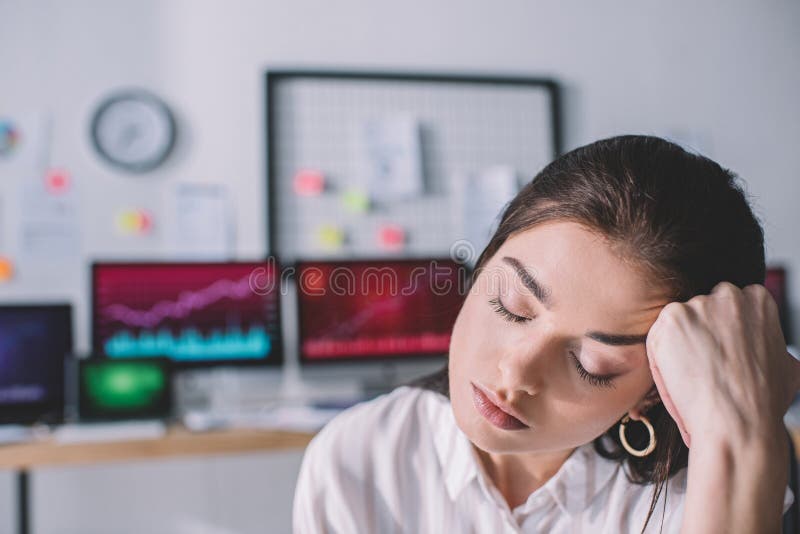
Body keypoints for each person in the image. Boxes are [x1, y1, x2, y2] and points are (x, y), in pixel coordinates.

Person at [292, 135, 800, 533]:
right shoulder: (358, 459)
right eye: (510, 305)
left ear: (653, 391)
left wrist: (739, 436)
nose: (514, 372)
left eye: (590, 365)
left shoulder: (700, 493)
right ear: (485, 259)